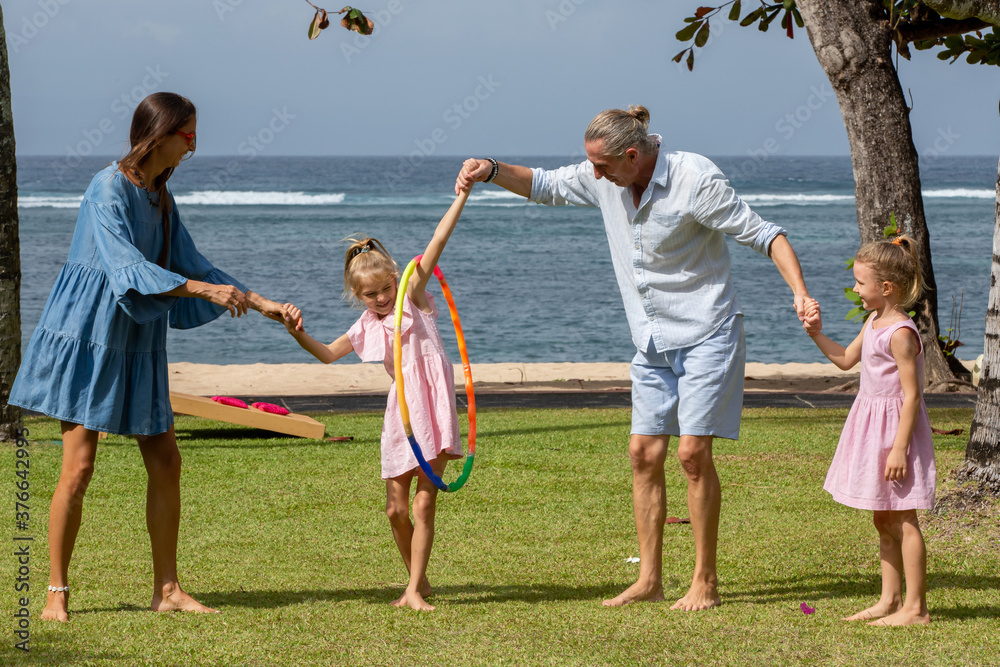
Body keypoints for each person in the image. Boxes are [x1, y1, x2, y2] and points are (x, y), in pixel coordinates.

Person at [455, 106, 811, 611]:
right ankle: (649, 580)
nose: (594, 175)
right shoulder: (606, 176)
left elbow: (765, 234)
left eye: (601, 166)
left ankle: (704, 580)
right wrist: (490, 168)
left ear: (631, 155)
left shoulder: (695, 179)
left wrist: (798, 291)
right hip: (651, 341)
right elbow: (545, 185)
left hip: (708, 332)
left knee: (691, 455)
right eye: (591, 167)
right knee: (643, 454)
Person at [9, 92, 300, 621]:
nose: (193, 143)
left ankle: (167, 590)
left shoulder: (163, 200)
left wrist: (262, 303)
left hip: (138, 336)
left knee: (166, 460)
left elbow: (195, 263)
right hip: (89, 334)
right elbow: (124, 268)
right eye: (187, 133)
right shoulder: (108, 187)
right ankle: (55, 592)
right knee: (79, 466)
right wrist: (201, 291)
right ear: (159, 134)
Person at [280, 188, 472, 611]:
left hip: (432, 407)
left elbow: (437, 241)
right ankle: (415, 581)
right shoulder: (366, 324)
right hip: (400, 415)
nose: (383, 298)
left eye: (386, 288)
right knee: (394, 510)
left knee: (424, 503)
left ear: (396, 279)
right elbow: (328, 354)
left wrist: (462, 195)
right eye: (371, 295)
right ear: (358, 296)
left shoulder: (412, 297)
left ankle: (415, 590)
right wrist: (296, 332)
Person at [802, 236, 934, 626]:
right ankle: (889, 599)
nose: (855, 289)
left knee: (904, 518)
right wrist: (815, 333)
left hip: (897, 435)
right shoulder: (874, 321)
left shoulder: (900, 333)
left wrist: (899, 449)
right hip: (872, 429)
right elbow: (845, 360)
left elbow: (911, 397)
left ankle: (916, 608)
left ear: (886, 288)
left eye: (861, 283)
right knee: (882, 518)